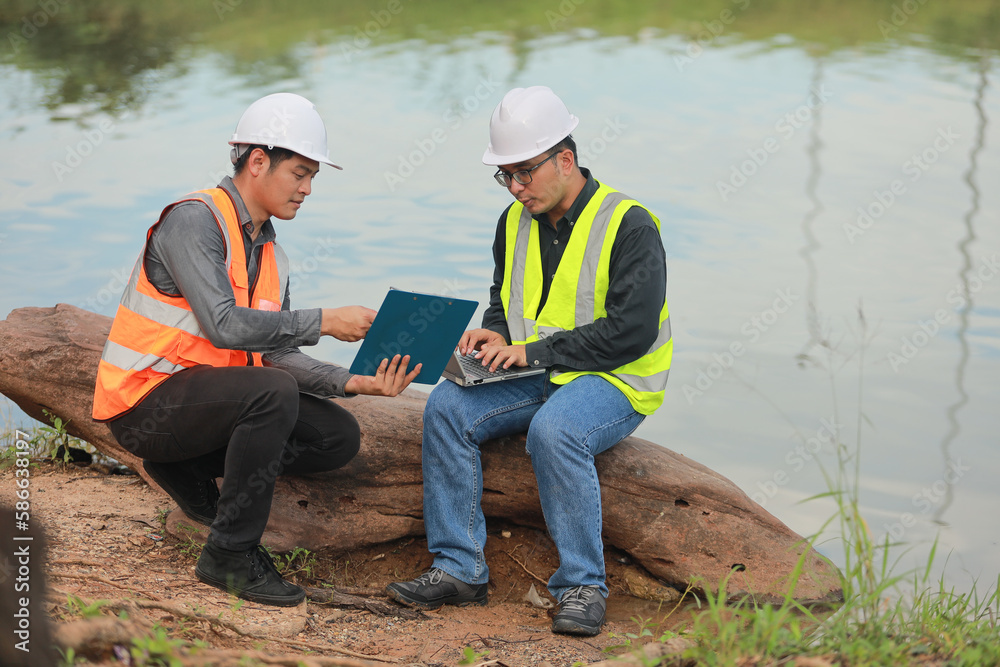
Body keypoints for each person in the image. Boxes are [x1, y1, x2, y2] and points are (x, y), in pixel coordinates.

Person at [92, 92, 420, 607]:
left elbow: (275, 354)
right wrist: (325, 321)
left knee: (336, 435)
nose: (309, 189)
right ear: (258, 161)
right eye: (300, 173)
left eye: (314, 177)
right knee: (271, 393)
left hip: (203, 410)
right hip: (143, 404)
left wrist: (355, 383)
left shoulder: (272, 252)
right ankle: (230, 553)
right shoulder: (194, 220)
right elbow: (224, 327)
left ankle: (187, 470)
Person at [386, 86, 671, 636]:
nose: (516, 189)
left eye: (524, 173)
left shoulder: (631, 224)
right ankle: (459, 568)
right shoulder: (513, 221)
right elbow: (504, 301)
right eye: (506, 177)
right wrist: (489, 336)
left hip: (616, 378)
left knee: (555, 429)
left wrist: (530, 352)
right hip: (537, 369)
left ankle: (583, 585)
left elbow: (632, 332)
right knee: (446, 405)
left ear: (565, 159)